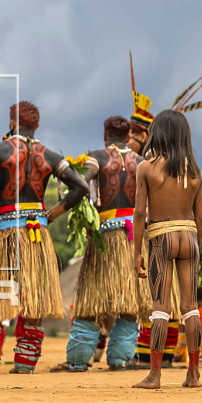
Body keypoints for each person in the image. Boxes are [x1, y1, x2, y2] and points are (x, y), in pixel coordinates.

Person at [0, 101, 89, 374]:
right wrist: (54, 212)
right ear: (36, 125)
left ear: (12, 124)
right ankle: (25, 364)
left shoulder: (2, 150)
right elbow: (80, 186)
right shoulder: (49, 156)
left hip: (8, 232)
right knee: (34, 294)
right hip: (37, 233)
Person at [55, 116, 147, 372]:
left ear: (105, 135)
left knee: (91, 299)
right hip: (134, 238)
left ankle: (78, 360)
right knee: (131, 301)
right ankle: (119, 359)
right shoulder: (141, 163)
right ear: (128, 135)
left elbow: (82, 182)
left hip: (105, 237)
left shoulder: (97, 157)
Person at [130, 110, 202, 389]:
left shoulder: (147, 168)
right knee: (191, 308)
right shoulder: (195, 171)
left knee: (161, 308)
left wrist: (136, 251)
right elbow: (201, 217)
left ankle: (155, 375)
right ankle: (193, 374)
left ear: (156, 133)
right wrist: (198, 245)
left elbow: (139, 213)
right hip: (189, 237)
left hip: (161, 237)